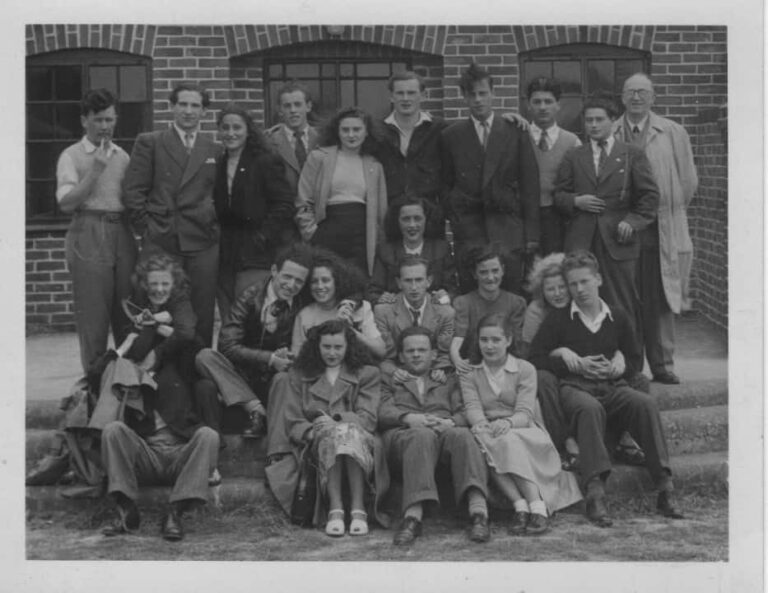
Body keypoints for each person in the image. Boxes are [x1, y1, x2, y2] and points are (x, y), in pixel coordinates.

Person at [529, 250, 684, 527]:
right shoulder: (559, 319)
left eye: (585, 282)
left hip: (612, 386)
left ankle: (665, 487)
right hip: (574, 388)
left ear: (598, 279)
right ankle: (595, 492)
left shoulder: (618, 315)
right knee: (589, 409)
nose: (579, 289)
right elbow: (534, 359)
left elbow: (636, 360)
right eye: (573, 284)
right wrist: (564, 356)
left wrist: (622, 360)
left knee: (643, 403)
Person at [95, 253, 219, 542]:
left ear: (174, 285)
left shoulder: (182, 358)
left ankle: (176, 511)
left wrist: (162, 339)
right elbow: (129, 353)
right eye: (153, 285)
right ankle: (126, 509)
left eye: (165, 284)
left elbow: (189, 337)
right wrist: (149, 329)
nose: (159, 289)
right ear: (145, 286)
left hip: (179, 451)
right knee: (113, 430)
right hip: (145, 452)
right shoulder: (138, 342)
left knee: (209, 437)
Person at [553, 93, 659, 372]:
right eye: (589, 120)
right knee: (581, 301)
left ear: (613, 121)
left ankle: (632, 370)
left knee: (623, 304)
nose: (594, 125)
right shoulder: (574, 155)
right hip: (582, 241)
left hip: (619, 242)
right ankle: (587, 367)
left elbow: (649, 197)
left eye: (600, 119)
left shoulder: (631, 154)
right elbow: (558, 195)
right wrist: (576, 201)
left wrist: (632, 222)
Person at [459, 314, 582, 535]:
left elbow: (525, 412)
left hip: (523, 430)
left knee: (505, 440)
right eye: (484, 340)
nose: (489, 346)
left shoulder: (525, 369)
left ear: (508, 340)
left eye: (496, 340)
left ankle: (536, 506)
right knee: (485, 441)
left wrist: (507, 422)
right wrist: (481, 424)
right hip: (489, 430)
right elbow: (473, 407)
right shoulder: (470, 372)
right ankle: (522, 506)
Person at [614, 73, 699, 384]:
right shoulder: (611, 131)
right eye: (631, 92)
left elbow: (688, 181)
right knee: (628, 297)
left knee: (661, 297)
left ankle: (662, 365)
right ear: (622, 98)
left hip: (663, 229)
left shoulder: (673, 132)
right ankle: (632, 367)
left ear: (653, 98)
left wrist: (664, 210)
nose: (636, 98)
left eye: (643, 92)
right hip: (624, 232)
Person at [522, 253, 646, 468]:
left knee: (640, 380)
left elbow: (609, 340)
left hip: (590, 370)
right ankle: (566, 441)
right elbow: (532, 356)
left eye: (563, 286)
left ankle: (624, 438)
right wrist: (559, 352)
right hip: (556, 371)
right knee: (545, 380)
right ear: (541, 291)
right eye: (550, 289)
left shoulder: (585, 304)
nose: (558, 293)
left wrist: (620, 356)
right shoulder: (537, 312)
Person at [123, 83, 220, 346]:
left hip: (202, 242)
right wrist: (150, 229)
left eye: (195, 106)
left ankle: (198, 374)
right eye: (183, 104)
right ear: (172, 107)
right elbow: (133, 192)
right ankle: (156, 376)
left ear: (204, 111)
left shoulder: (213, 148)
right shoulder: (151, 142)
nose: (188, 111)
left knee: (201, 310)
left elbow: (219, 196)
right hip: (164, 239)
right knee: (158, 309)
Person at [377, 327, 490, 545]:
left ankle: (479, 512)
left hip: (442, 431)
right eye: (410, 351)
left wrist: (450, 422)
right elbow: (382, 411)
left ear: (434, 354)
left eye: (422, 350)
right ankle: (413, 516)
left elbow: (466, 410)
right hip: (402, 435)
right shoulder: (390, 379)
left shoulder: (447, 379)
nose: (416, 355)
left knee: (463, 435)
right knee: (421, 436)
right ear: (400, 355)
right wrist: (408, 418)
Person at [192, 244, 313, 438]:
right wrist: (269, 358)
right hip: (243, 375)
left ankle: (260, 414)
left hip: (277, 379)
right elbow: (227, 345)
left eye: (299, 281)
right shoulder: (250, 296)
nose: (291, 285)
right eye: (287, 277)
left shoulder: (302, 303)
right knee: (204, 356)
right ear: (274, 271)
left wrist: (287, 355)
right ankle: (255, 409)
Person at [56, 88, 137, 373]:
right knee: (94, 320)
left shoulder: (123, 156)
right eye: (98, 120)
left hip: (122, 234)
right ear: (84, 121)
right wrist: (95, 170)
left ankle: (127, 392)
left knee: (129, 316)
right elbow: (66, 203)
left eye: (109, 120)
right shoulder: (72, 155)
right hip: (89, 231)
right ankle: (94, 394)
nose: (104, 126)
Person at [441, 62, 540, 294]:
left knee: (511, 295)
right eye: (472, 94)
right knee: (472, 296)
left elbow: (530, 185)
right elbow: (445, 185)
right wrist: (458, 219)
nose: (478, 99)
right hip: (470, 233)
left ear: (493, 94)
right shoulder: (451, 136)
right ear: (464, 97)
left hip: (508, 231)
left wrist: (531, 236)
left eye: (483, 93)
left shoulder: (514, 130)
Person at [282, 320, 381, 536]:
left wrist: (337, 421)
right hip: (316, 441)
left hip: (360, 440)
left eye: (338, 347)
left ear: (349, 347)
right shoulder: (299, 374)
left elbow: (368, 419)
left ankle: (357, 508)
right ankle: (336, 509)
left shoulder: (367, 373)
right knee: (335, 436)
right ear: (316, 346)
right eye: (326, 347)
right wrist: (314, 430)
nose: (332, 353)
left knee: (344, 433)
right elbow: (293, 420)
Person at [214, 103, 295, 320]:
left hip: (256, 250)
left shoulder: (265, 161)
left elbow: (284, 203)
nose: (231, 133)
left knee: (251, 311)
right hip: (225, 250)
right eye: (225, 127)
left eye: (237, 127)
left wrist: (263, 236)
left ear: (248, 130)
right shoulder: (219, 162)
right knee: (228, 312)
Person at [295, 106, 387, 277]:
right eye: (345, 130)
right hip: (328, 230)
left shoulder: (375, 165)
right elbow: (303, 200)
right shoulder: (319, 158)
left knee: (357, 282)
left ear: (366, 132)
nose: (351, 135)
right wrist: (312, 233)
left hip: (361, 234)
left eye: (357, 129)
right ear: (337, 132)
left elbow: (381, 211)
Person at [376, 70, 447, 238]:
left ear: (422, 96)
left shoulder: (440, 130)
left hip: (429, 218)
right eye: (400, 93)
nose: (405, 98)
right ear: (391, 97)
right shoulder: (377, 132)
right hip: (390, 218)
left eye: (411, 93)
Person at [291, 247, 385, 359]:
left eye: (325, 280)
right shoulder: (304, 315)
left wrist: (350, 330)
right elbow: (297, 356)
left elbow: (381, 350)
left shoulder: (360, 308)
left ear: (337, 282)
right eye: (314, 282)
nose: (320, 286)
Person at [525, 77, 582, 255]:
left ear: (558, 105)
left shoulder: (572, 142)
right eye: (537, 102)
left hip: (558, 218)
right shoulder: (518, 137)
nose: (543, 107)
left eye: (548, 101)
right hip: (525, 216)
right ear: (529, 105)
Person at [367, 195, 457, 304]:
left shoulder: (441, 249)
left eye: (417, 218)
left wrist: (445, 296)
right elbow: (374, 292)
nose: (412, 225)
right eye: (406, 219)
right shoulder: (385, 250)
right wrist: (381, 298)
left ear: (426, 220)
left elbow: (453, 290)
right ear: (397, 221)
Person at [450, 246, 527, 374]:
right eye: (483, 272)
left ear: (503, 270)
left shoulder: (516, 303)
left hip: (506, 367)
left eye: (495, 271)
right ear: (475, 274)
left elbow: (516, 344)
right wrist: (457, 360)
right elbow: (459, 338)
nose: (490, 277)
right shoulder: (463, 303)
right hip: (473, 366)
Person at [374, 256, 454, 377]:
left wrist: (439, 370)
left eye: (419, 280)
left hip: (432, 374)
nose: (414, 287)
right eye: (408, 280)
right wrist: (395, 372)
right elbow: (385, 356)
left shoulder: (445, 312)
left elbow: (443, 353)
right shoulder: (384, 312)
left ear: (429, 281)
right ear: (399, 283)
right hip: (397, 374)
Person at [266, 81, 320, 197]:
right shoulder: (269, 142)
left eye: (297, 104)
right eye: (287, 106)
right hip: (285, 208)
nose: (293, 110)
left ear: (308, 106)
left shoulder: (323, 139)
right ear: (279, 110)